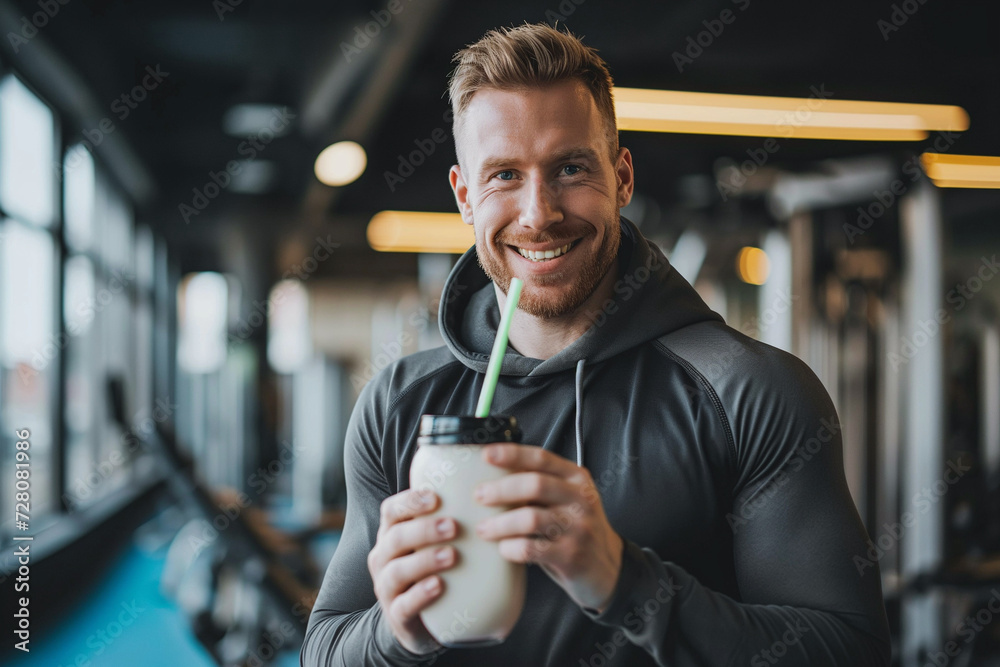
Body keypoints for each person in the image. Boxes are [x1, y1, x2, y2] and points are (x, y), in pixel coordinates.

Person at [300, 22, 891, 667]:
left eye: (571, 168)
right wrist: (396, 635)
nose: (538, 213)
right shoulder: (398, 404)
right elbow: (326, 648)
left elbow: (851, 652)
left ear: (622, 175)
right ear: (465, 197)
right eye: (503, 176)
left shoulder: (751, 393)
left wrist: (627, 583)